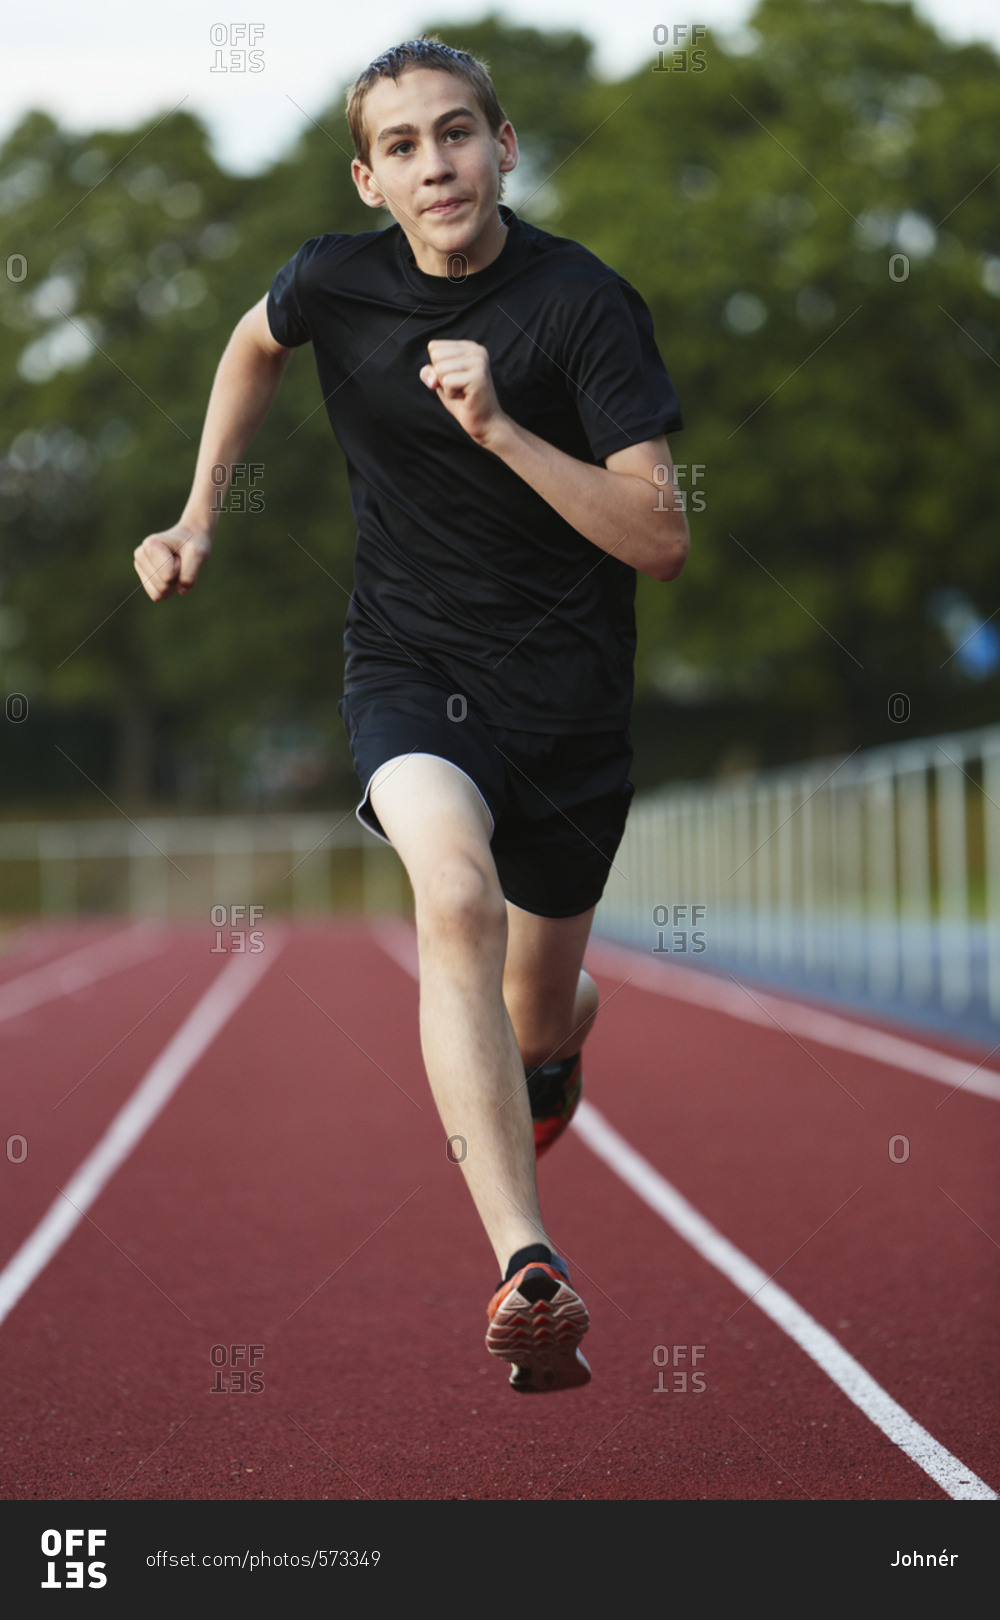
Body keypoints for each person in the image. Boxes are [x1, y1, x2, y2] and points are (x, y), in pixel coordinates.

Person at [134, 35, 689, 1394]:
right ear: (369, 179)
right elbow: (253, 340)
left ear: (504, 146)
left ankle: (558, 1042)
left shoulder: (584, 306)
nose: (433, 163)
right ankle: (526, 1263)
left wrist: (500, 428)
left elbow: (661, 537)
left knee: (536, 1010)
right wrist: (200, 508)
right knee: (453, 896)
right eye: (402, 146)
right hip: (408, 670)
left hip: (567, 709)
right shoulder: (336, 277)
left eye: (456, 133)